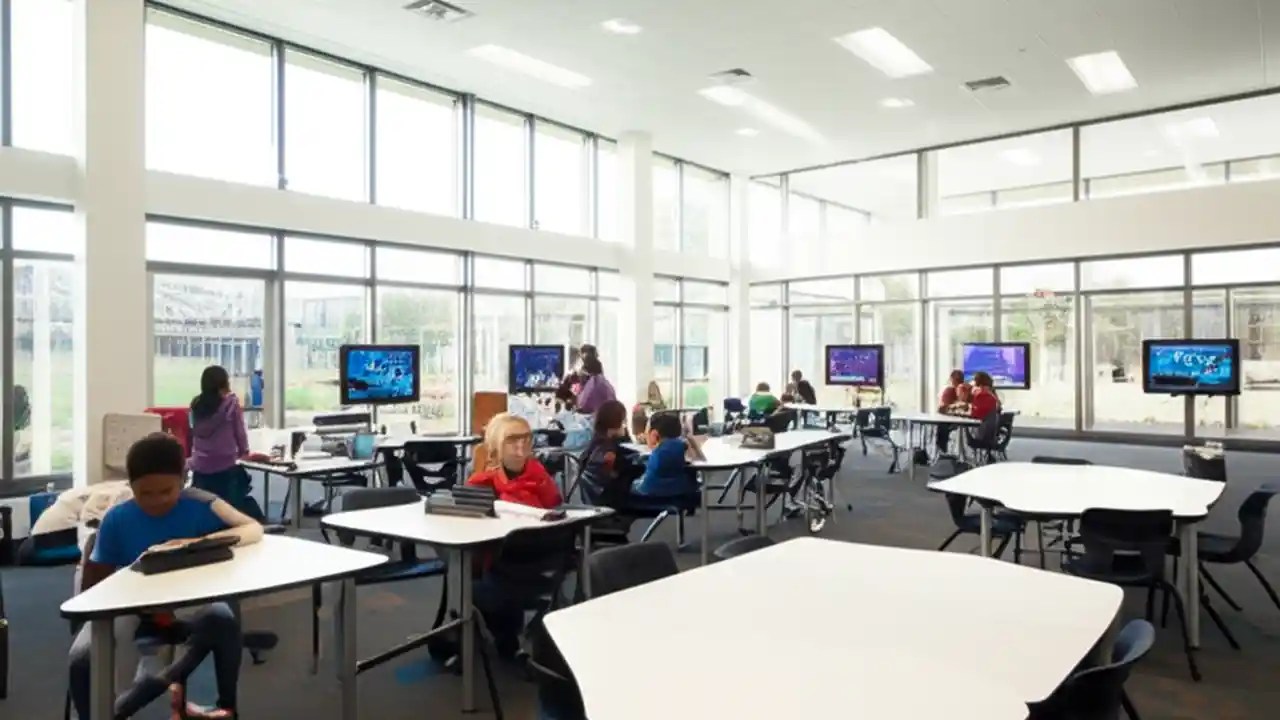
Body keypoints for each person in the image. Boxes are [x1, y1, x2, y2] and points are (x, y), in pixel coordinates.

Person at [70, 433, 263, 720]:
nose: (157, 501)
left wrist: (195, 544)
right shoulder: (117, 519)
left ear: (182, 480)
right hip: (130, 604)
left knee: (223, 619)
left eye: (166, 491)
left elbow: (253, 528)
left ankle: (226, 708)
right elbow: (96, 587)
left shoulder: (200, 504)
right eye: (145, 493)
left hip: (185, 599)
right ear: (131, 486)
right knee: (82, 658)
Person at [466, 413, 563, 658]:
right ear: (496, 448)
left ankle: (538, 639)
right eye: (512, 442)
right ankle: (508, 640)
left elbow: (555, 505)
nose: (521, 450)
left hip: (542, 563)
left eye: (526, 441)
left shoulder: (540, 477)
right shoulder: (481, 485)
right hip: (498, 568)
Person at [189, 365, 268, 521]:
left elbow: (193, 432)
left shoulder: (196, 406)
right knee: (240, 488)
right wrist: (244, 452)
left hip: (200, 468)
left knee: (204, 506)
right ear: (224, 383)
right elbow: (240, 432)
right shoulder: (231, 404)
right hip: (225, 466)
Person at [578, 400, 642, 508]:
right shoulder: (612, 449)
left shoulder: (595, 445)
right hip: (618, 500)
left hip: (599, 500)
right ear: (617, 423)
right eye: (623, 420)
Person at [633, 412, 699, 497]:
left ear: (654, 435)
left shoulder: (658, 456)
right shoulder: (682, 448)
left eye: (646, 433)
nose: (645, 437)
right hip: (680, 495)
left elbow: (643, 485)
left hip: (649, 496)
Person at [935, 370, 971, 454]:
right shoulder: (949, 390)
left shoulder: (965, 388)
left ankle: (943, 451)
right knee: (943, 426)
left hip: (960, 418)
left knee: (943, 427)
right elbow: (943, 408)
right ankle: (943, 451)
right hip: (950, 418)